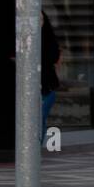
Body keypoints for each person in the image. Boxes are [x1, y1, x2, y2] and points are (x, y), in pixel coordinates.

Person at [40, 11, 61, 147]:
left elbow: (55, 57)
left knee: (39, 119)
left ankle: (35, 150)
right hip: (28, 89)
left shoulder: (48, 38)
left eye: (40, 19)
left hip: (46, 89)